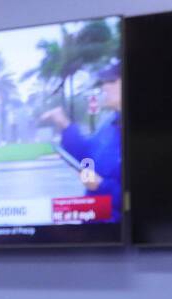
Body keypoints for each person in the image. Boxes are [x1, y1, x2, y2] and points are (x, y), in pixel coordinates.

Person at [39, 60, 122, 214]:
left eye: (111, 81)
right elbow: (87, 157)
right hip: (94, 221)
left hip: (117, 230)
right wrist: (64, 124)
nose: (104, 87)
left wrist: (101, 185)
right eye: (104, 82)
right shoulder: (109, 123)